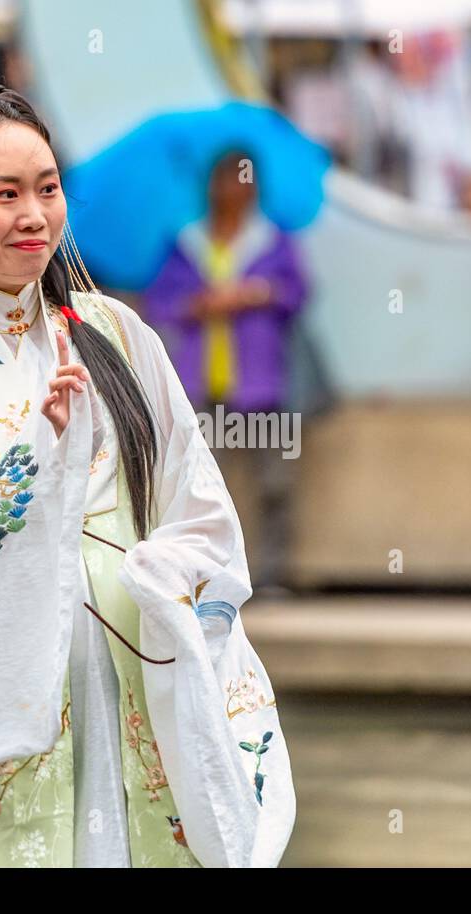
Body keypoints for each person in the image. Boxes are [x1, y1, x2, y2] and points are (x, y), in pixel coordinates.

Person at [0, 72, 293, 868]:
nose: (33, 215)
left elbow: (197, 502)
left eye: (48, 189)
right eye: (4, 194)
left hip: (136, 659)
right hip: (2, 684)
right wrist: (39, 462)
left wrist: (160, 579)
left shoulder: (115, 331)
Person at [144, 148, 309, 594]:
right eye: (226, 179)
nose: (235, 189)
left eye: (244, 179)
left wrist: (258, 293)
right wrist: (199, 304)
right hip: (201, 379)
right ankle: (207, 573)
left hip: (259, 378)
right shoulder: (188, 242)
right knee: (198, 482)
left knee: (272, 480)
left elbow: (298, 294)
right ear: (211, 186)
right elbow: (160, 303)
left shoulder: (273, 241)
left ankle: (270, 574)